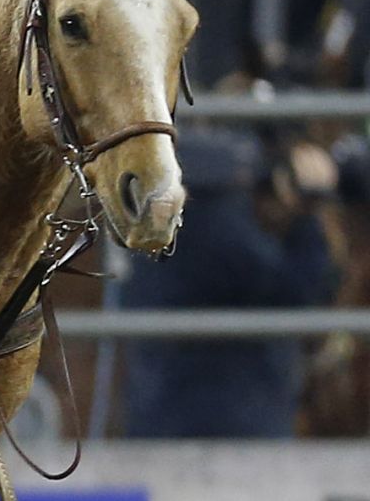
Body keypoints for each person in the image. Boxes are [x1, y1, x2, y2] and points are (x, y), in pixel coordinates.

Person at [121, 128, 337, 437]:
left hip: (165, 415)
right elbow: (296, 289)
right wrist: (308, 210)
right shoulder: (213, 223)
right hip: (226, 426)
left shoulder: (165, 219)